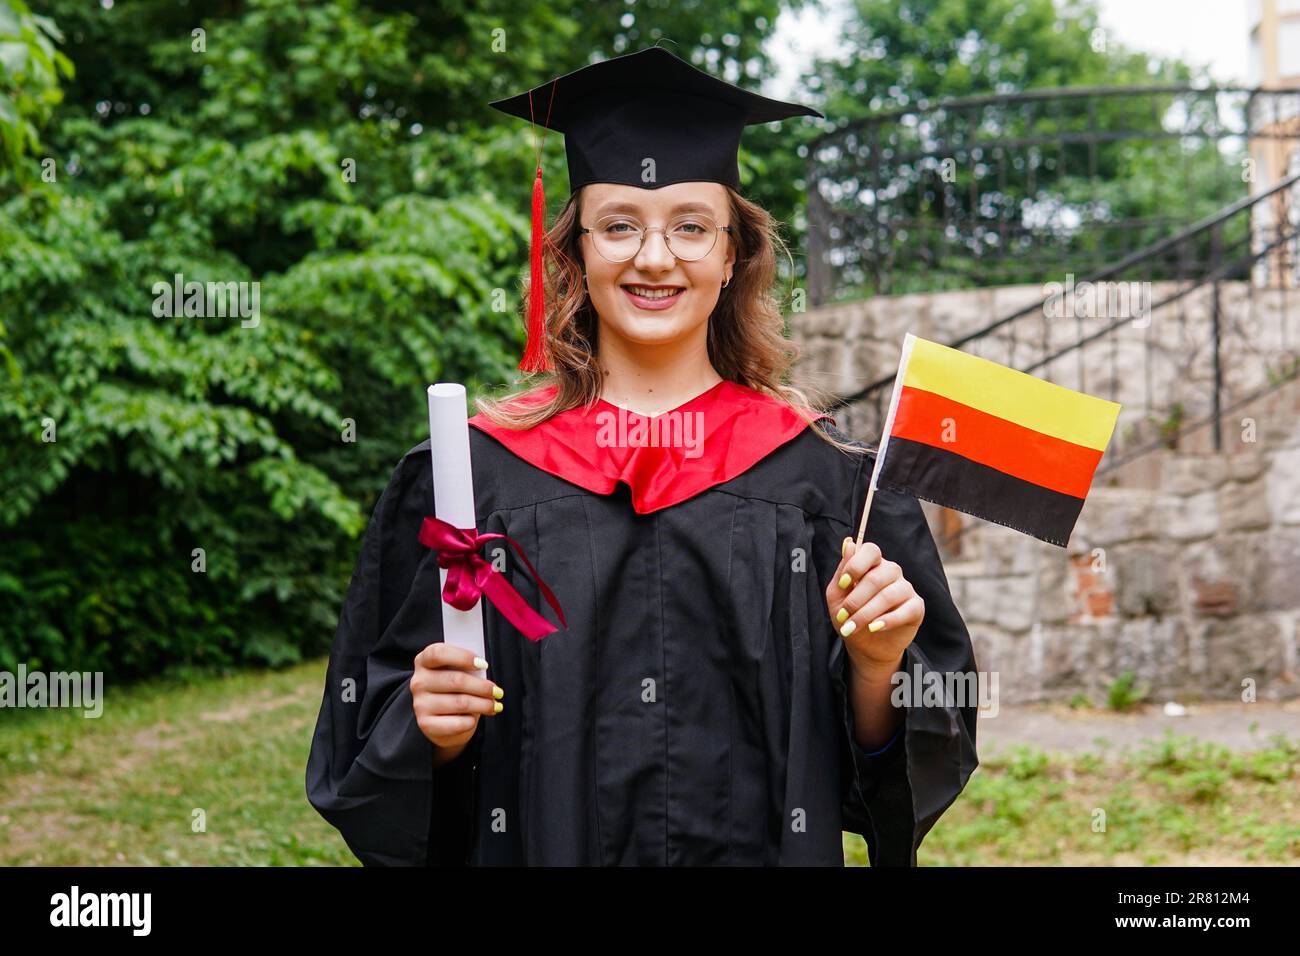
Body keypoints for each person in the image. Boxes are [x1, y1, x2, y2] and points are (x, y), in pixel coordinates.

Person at [305, 45, 978, 866]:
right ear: (575, 252)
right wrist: (432, 728)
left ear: (733, 256)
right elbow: (369, 749)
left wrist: (877, 665)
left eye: (691, 227)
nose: (654, 258)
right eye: (618, 225)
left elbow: (895, 773)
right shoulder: (468, 478)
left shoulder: (829, 480)